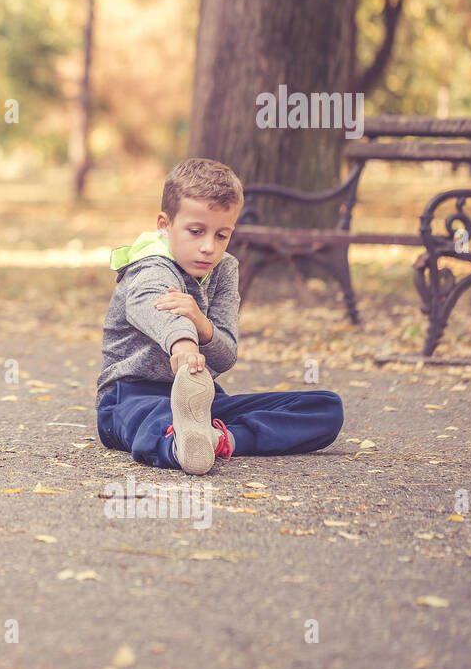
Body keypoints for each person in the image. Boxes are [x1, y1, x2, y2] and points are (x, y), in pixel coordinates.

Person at [95, 157, 343, 474]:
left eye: (221, 235)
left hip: (200, 403)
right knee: (154, 417)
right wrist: (184, 346)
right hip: (129, 397)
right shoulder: (150, 265)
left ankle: (218, 439)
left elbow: (225, 356)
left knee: (325, 408)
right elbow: (153, 302)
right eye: (196, 231)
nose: (209, 247)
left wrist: (204, 326)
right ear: (164, 224)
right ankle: (177, 444)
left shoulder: (224, 269)